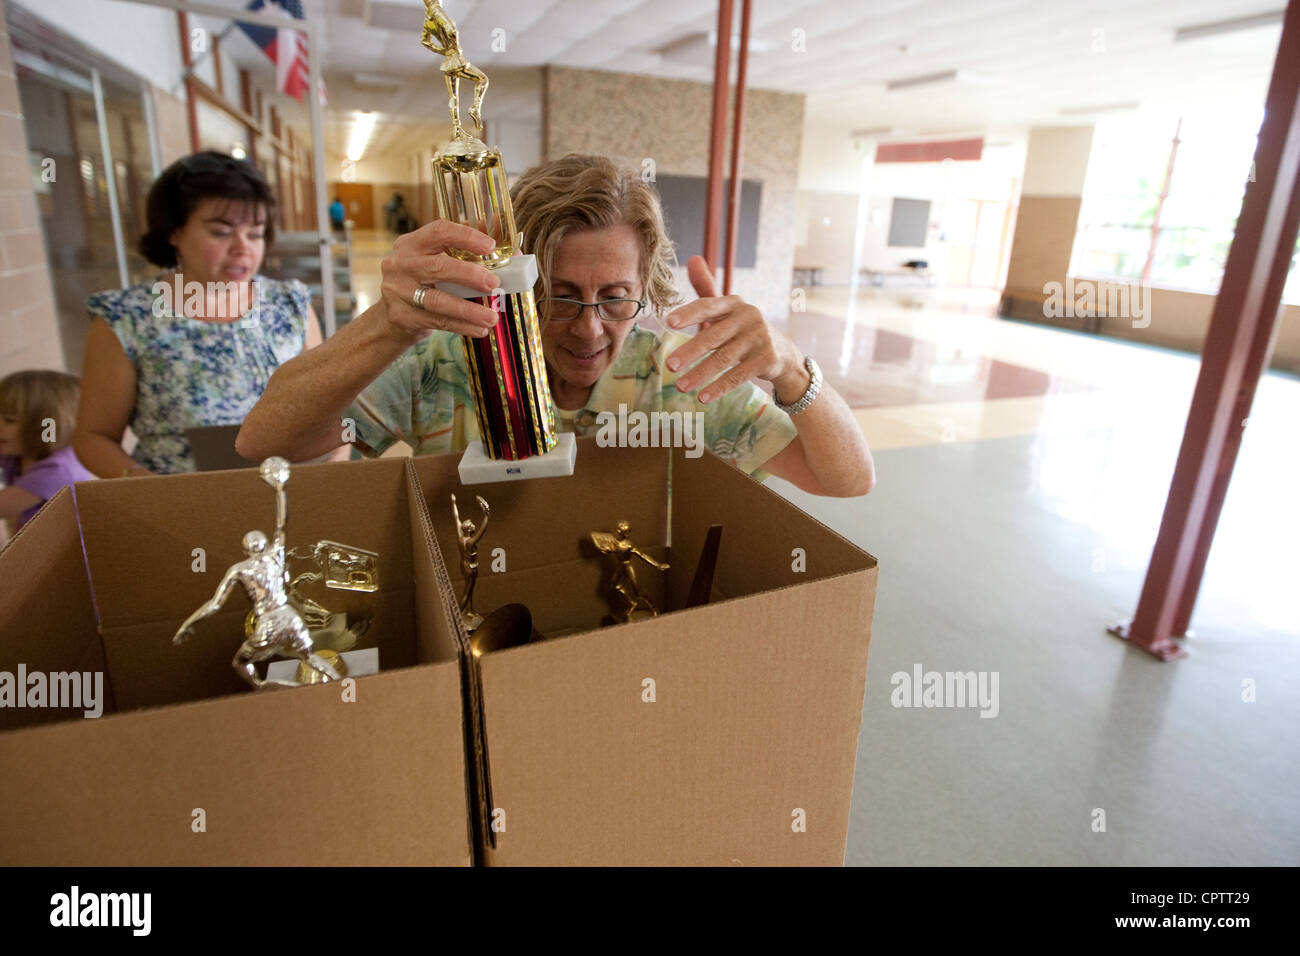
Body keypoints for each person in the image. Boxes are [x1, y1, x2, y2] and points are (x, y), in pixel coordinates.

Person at [237, 154, 874, 498]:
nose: (589, 330)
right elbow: (266, 442)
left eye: (616, 297)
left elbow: (845, 480)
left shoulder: (677, 376)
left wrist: (790, 368)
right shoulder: (448, 361)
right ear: (513, 287)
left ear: (645, 291)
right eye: (559, 297)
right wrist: (390, 324)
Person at [74, 151, 334, 476]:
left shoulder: (290, 305)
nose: (243, 248)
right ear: (174, 231)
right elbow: (94, 437)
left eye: (255, 234)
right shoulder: (127, 318)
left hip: (287, 498)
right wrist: (149, 489)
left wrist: (327, 480)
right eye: (221, 232)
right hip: (179, 508)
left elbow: (329, 408)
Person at [0, 370, 95, 534]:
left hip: (61, 552)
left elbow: (3, 507)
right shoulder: (23, 450)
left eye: (9, 420)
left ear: (44, 426)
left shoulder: (57, 471)